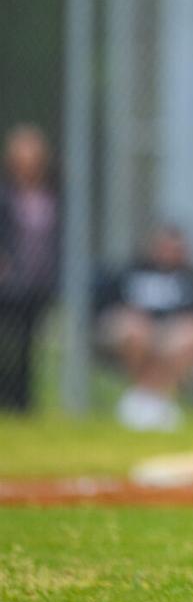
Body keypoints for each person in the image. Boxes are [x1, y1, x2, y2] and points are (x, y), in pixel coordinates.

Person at [94, 222, 193, 431]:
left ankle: (141, 403)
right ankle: (155, 403)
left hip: (176, 339)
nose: (169, 253)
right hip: (135, 336)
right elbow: (103, 310)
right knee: (134, 329)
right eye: (164, 246)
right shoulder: (129, 273)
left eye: (176, 248)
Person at [0, 124, 61, 414]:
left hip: (40, 280)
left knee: (28, 344)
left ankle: (22, 403)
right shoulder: (5, 195)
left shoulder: (54, 195)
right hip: (8, 281)